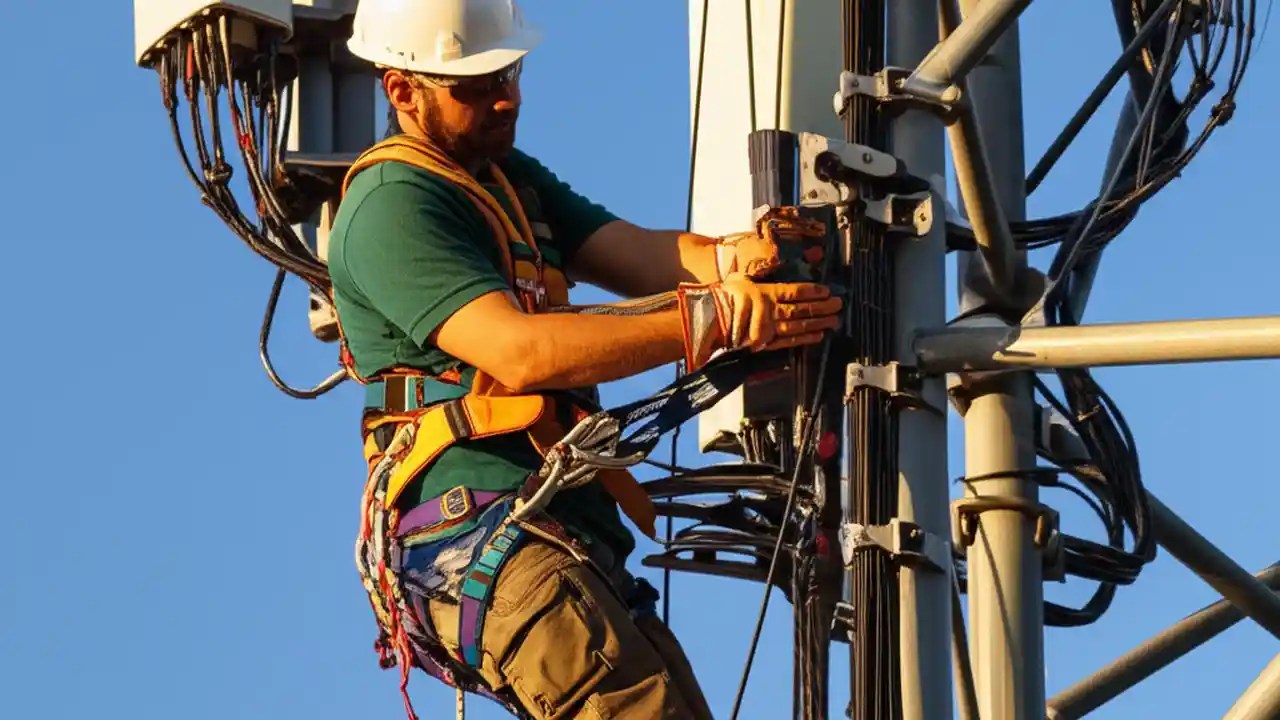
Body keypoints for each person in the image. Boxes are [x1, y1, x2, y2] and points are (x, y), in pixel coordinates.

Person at [328, 1, 843, 718]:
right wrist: (717, 317)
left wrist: (736, 257)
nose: (505, 96)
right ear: (403, 91)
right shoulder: (391, 204)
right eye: (475, 85)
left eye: (508, 71)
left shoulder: (503, 177)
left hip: (558, 538)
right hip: (485, 537)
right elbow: (524, 351)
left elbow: (635, 252)